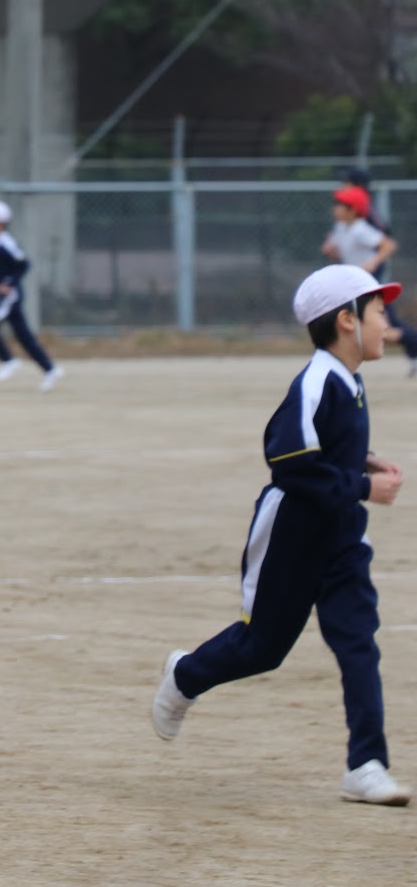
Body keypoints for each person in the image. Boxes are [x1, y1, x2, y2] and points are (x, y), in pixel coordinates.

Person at [152, 264, 411, 806]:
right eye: (378, 311)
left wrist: (362, 460)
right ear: (346, 320)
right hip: (293, 536)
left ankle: (365, 765)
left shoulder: (348, 377)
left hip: (342, 539)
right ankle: (185, 676)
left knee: (358, 644)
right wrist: (363, 485)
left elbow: (324, 449)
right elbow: (288, 460)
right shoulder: (316, 379)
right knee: (262, 648)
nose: (388, 322)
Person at [324, 181, 417, 376]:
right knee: (379, 327)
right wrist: (332, 251)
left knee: (385, 330)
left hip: (369, 282)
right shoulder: (342, 228)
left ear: (352, 210)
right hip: (354, 283)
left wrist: (373, 262)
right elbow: (340, 252)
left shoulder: (360, 228)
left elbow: (388, 245)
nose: (335, 208)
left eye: (340, 205)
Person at [0, 201, 62, 391]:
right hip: (8, 295)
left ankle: (8, 360)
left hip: (11, 295)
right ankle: (50, 369)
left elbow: (24, 265)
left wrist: (8, 283)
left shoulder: (6, 243)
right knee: (24, 336)